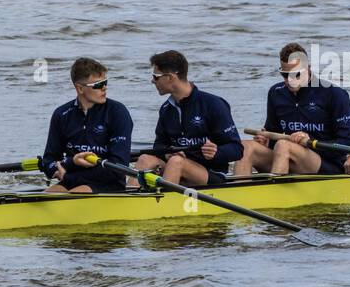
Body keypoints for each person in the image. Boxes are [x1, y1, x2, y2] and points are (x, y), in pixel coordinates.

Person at [234, 42, 350, 176]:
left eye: (296, 74)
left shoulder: (334, 94)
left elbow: (348, 142)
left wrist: (309, 140)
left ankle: (276, 193)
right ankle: (239, 191)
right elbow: (273, 133)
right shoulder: (276, 93)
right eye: (285, 75)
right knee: (246, 147)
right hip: (286, 156)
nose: (289, 80)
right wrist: (266, 141)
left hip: (326, 163)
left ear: (308, 69)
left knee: (284, 145)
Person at [136, 50, 242, 186]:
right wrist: (166, 153)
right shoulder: (166, 109)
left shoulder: (213, 104)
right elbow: (159, 145)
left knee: (176, 162)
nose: (152, 80)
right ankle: (126, 202)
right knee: (145, 159)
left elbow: (237, 149)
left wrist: (217, 152)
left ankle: (164, 205)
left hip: (211, 173)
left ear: (170, 77)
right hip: (178, 167)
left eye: (156, 76)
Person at [42, 57, 134, 193]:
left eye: (105, 82)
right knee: (44, 198)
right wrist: (63, 168)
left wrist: (69, 174)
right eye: (98, 85)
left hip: (108, 182)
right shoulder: (61, 114)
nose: (104, 88)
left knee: (72, 196)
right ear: (80, 88)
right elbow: (49, 160)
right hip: (71, 180)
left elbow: (118, 166)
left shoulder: (117, 112)